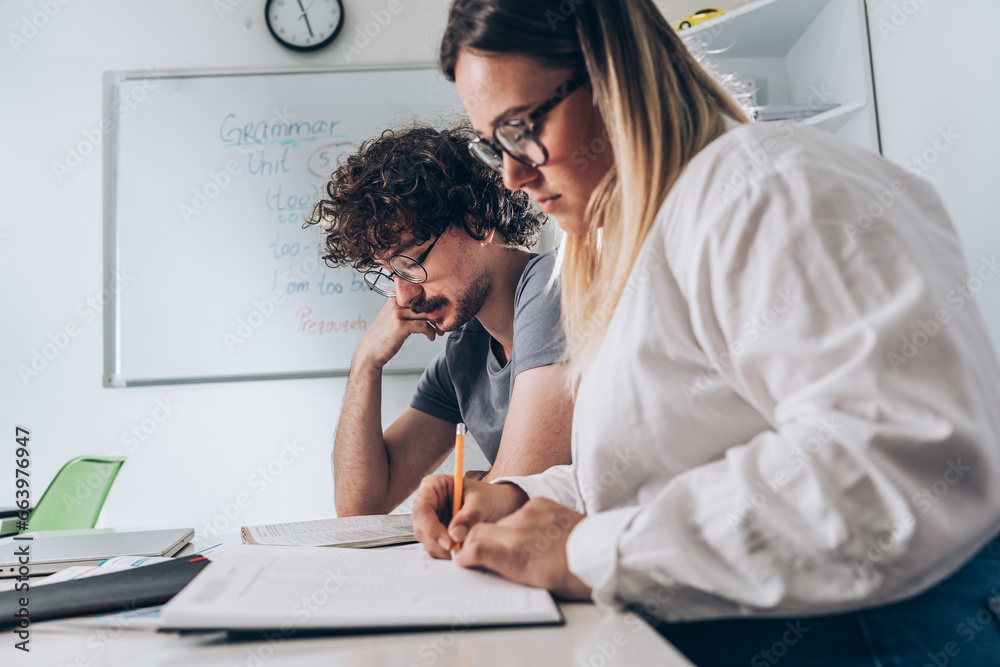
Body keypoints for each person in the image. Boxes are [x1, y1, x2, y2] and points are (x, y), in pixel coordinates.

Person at [410, 1, 1000, 664]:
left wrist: (586, 549)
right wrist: (520, 498)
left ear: (613, 76)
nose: (513, 175)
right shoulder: (648, 236)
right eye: (492, 146)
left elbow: (891, 463)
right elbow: (656, 471)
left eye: (521, 129)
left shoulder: (768, 189)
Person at [305, 124, 573, 517]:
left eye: (412, 261)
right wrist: (365, 363)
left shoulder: (552, 287)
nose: (404, 296)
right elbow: (359, 509)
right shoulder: (465, 352)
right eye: (390, 273)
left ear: (478, 221)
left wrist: (484, 488)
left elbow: (507, 502)